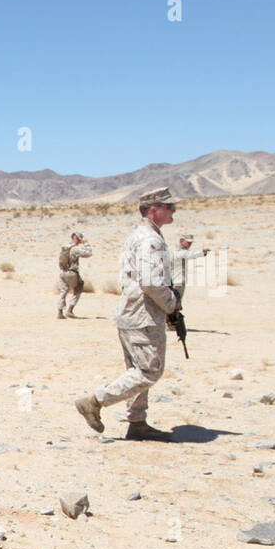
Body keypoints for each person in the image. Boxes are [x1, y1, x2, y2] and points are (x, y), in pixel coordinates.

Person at [75, 187, 182, 441]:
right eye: (169, 207)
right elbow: (150, 282)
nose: (174, 211)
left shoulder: (140, 235)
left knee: (135, 370)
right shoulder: (150, 240)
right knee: (148, 372)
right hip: (142, 315)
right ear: (154, 209)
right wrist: (171, 305)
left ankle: (137, 422)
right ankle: (94, 401)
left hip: (133, 313)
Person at [57, 232, 92, 318]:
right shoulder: (75, 249)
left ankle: (60, 312)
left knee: (63, 291)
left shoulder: (65, 247)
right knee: (78, 288)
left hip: (62, 272)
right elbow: (88, 254)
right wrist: (86, 244)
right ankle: (70, 310)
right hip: (72, 273)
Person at [170, 232, 208, 298]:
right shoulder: (180, 252)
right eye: (188, 242)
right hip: (178, 281)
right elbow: (191, 254)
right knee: (176, 303)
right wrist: (203, 252)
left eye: (191, 243)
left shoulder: (174, 250)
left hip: (173, 280)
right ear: (181, 241)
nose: (190, 244)